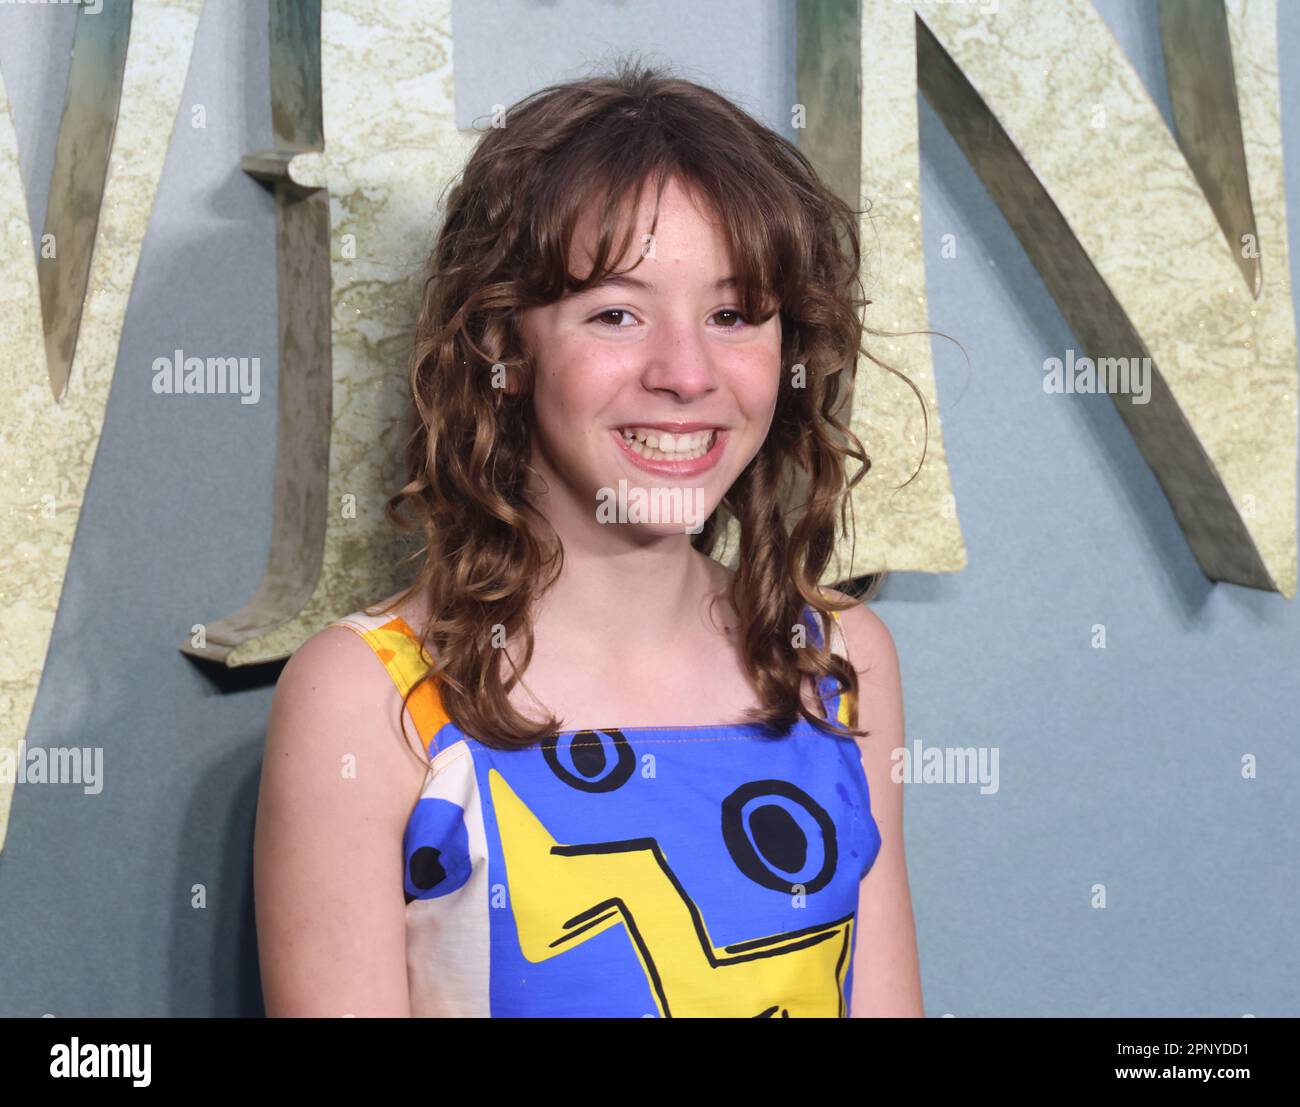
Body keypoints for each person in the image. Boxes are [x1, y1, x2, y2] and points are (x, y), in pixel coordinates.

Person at [254, 58, 924, 1017]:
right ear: (504, 348)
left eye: (732, 314)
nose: (686, 373)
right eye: (616, 312)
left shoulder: (839, 661)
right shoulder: (368, 693)